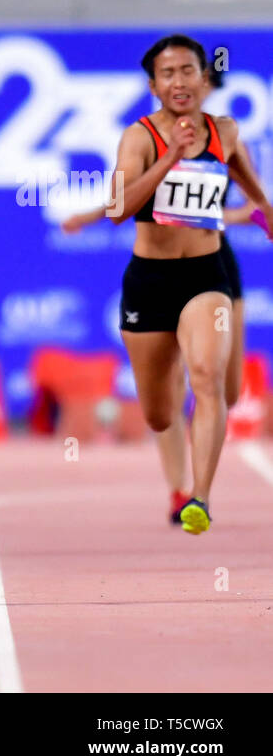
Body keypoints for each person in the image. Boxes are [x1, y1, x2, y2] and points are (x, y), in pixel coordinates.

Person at [61, 64, 260, 525]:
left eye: (198, 82)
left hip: (215, 264)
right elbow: (126, 198)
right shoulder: (148, 139)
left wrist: (230, 216)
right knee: (172, 390)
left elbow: (252, 205)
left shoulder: (227, 140)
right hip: (162, 269)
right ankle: (181, 490)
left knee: (226, 389)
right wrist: (88, 217)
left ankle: (198, 453)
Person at [105, 35, 273, 535]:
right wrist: (169, 159)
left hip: (206, 275)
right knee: (159, 415)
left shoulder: (224, 131)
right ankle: (179, 465)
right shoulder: (138, 138)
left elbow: (246, 179)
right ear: (153, 86)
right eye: (167, 74)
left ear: (204, 78)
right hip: (151, 282)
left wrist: (265, 211)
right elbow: (117, 209)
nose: (178, 82)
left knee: (208, 376)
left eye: (187, 71)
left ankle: (199, 497)